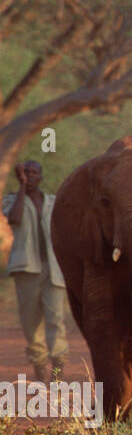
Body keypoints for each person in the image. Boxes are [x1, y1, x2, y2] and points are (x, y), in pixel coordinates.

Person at [3, 160, 69, 382]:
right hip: (27, 269)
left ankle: (58, 366)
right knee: (31, 323)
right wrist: (21, 187)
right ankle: (40, 363)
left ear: (40, 177)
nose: (30, 177)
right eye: (26, 173)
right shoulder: (12, 200)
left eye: (34, 173)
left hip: (53, 267)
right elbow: (15, 218)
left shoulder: (52, 202)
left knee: (55, 318)